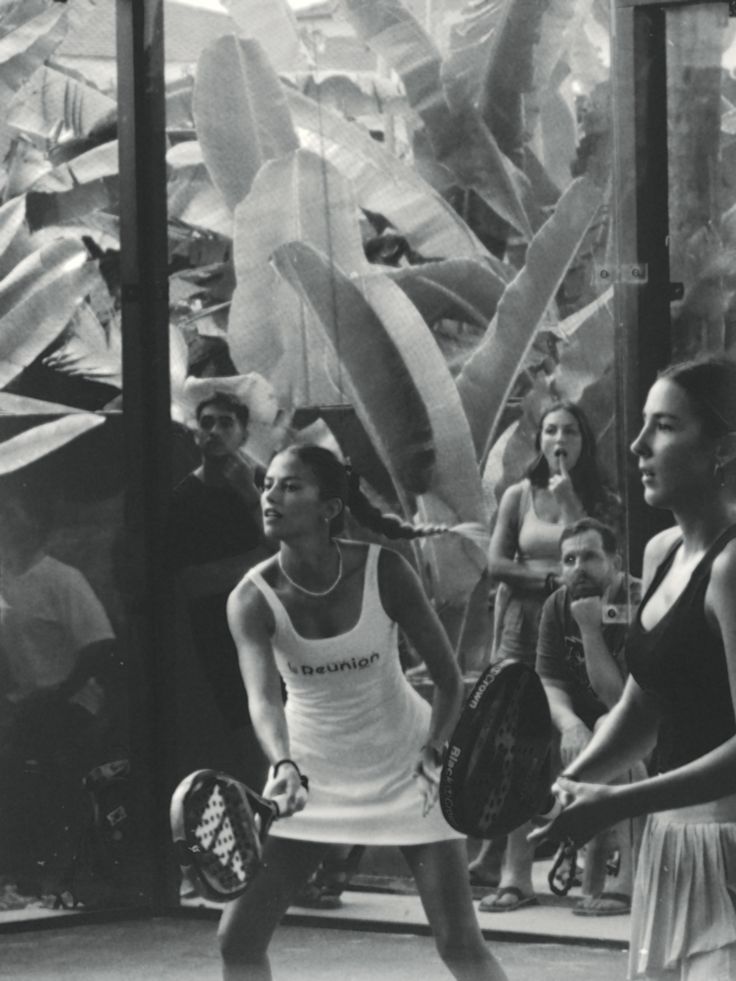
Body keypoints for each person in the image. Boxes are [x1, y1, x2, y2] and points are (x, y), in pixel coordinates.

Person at [219, 443, 508, 981]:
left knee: (460, 945)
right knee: (237, 939)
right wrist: (283, 766)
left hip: (410, 767)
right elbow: (263, 698)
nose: (271, 496)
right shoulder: (250, 598)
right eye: (268, 485)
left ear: (330, 508)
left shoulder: (386, 572)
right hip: (310, 775)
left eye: (290, 485)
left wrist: (436, 750)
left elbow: (448, 680)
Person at [532, 355, 736, 980]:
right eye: (643, 424)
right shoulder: (662, 549)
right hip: (673, 849)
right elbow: (645, 704)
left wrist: (618, 803)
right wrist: (576, 783)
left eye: (665, 427)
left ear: (723, 450)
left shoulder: (731, 569)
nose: (637, 444)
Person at [474, 400, 617, 912]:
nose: (560, 440)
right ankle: (513, 876)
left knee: (581, 741)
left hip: (579, 628)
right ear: (539, 440)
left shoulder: (601, 498)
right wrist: (550, 579)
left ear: (585, 442)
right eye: (551, 430)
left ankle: (592, 875)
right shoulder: (519, 495)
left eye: (571, 432)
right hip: (522, 625)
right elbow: (495, 563)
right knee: (516, 742)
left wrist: (573, 502)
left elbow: (596, 554)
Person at [0, 494, 118, 898]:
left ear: (37, 525)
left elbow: (99, 647)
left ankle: (50, 875)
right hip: (24, 704)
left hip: (72, 702)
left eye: (16, 514)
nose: (7, 522)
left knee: (27, 772)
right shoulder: (3, 579)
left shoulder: (63, 579)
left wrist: (55, 695)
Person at [535, 517, 644, 916]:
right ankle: (513, 874)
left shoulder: (638, 600)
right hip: (584, 725)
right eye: (568, 559)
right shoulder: (555, 604)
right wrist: (569, 724)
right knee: (521, 730)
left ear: (614, 560)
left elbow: (620, 699)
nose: (577, 567)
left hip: (644, 724)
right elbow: (549, 680)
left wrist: (590, 630)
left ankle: (626, 879)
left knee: (608, 727)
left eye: (590, 556)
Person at [169, 391, 271, 791]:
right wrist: (258, 561)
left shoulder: (263, 486)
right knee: (244, 725)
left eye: (226, 423)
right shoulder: (184, 499)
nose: (214, 431)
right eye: (206, 423)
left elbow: (287, 552)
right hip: (218, 630)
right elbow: (188, 581)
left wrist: (250, 495)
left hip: (271, 624)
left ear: (244, 434)